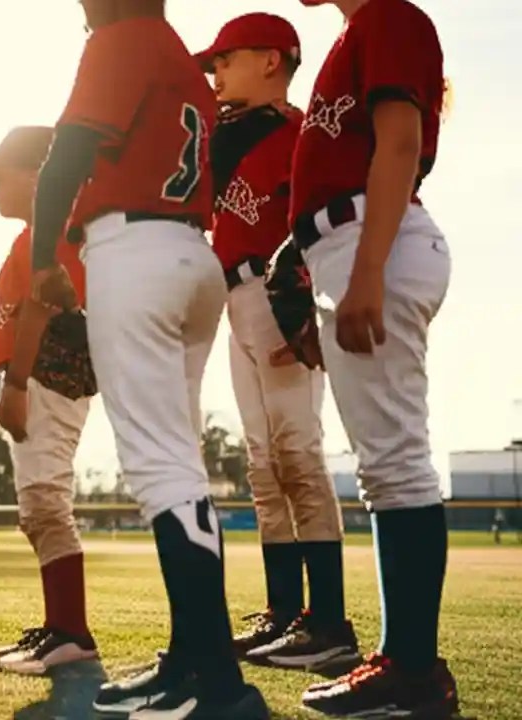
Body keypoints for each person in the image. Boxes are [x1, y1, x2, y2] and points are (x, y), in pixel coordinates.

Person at [27, 1, 269, 717]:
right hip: (192, 252)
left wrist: (44, 259)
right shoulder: (176, 55)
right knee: (180, 464)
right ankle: (195, 656)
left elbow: (67, 153)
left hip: (135, 252)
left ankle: (214, 679)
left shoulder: (122, 35)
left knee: (162, 467)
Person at [290, 0, 458, 716]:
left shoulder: (389, 14)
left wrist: (365, 272)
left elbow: (398, 145)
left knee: (395, 461)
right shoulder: (361, 30)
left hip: (373, 243)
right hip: (353, 245)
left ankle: (413, 670)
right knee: (384, 464)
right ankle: (404, 662)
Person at [193, 13, 358, 671]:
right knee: (263, 464)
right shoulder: (229, 138)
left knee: (297, 453)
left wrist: (305, 315)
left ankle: (330, 622)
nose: (215, 71)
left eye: (225, 58)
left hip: (278, 294)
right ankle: (285, 613)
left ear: (271, 60)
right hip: (234, 297)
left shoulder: (298, 136)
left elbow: (316, 228)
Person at [0, 126, 100, 676]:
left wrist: (18, 383)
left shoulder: (55, 232)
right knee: (37, 508)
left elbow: (41, 309)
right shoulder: (32, 236)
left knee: (46, 500)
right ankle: (60, 626)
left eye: (3, 175)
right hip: (36, 374)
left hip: (46, 372)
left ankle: (72, 632)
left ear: (41, 177)